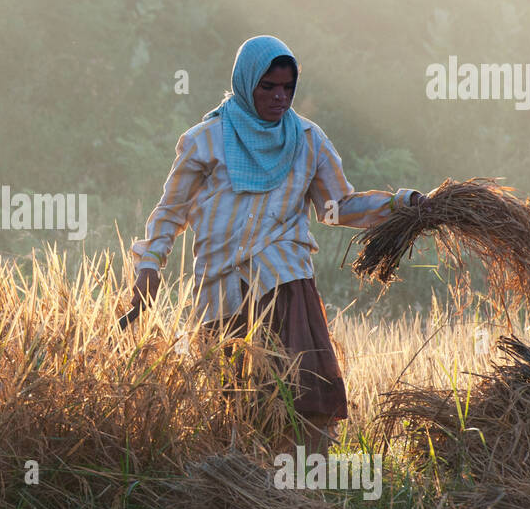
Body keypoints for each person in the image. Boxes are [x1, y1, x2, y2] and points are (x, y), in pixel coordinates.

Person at [129, 35, 426, 454]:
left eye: (287, 87)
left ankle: (304, 494)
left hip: (284, 282)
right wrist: (149, 266)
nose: (279, 97)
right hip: (221, 291)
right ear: (246, 82)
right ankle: (248, 495)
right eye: (267, 87)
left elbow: (335, 207)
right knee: (235, 406)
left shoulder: (306, 138)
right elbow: (170, 212)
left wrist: (401, 204)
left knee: (307, 392)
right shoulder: (205, 140)